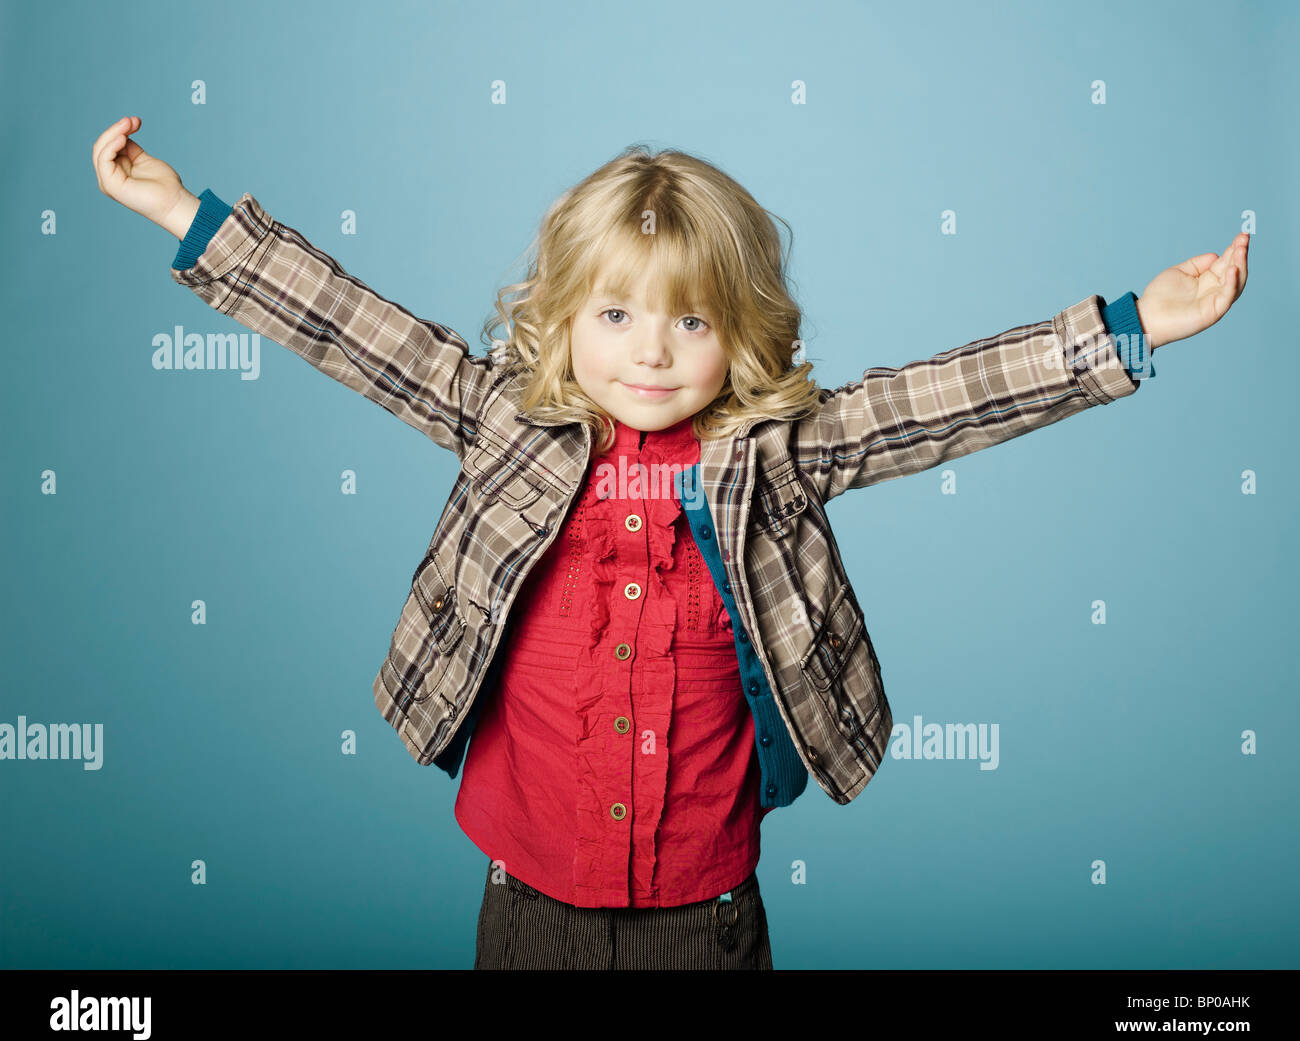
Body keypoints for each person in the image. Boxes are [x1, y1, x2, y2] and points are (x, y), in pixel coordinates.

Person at [91, 115, 1250, 970]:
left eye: (688, 320)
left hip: (705, 914)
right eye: (615, 316)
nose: (649, 353)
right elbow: (355, 327)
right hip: (527, 903)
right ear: (561, 318)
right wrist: (180, 210)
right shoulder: (501, 414)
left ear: (739, 333)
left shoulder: (774, 452)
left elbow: (933, 403)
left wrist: (1130, 324)